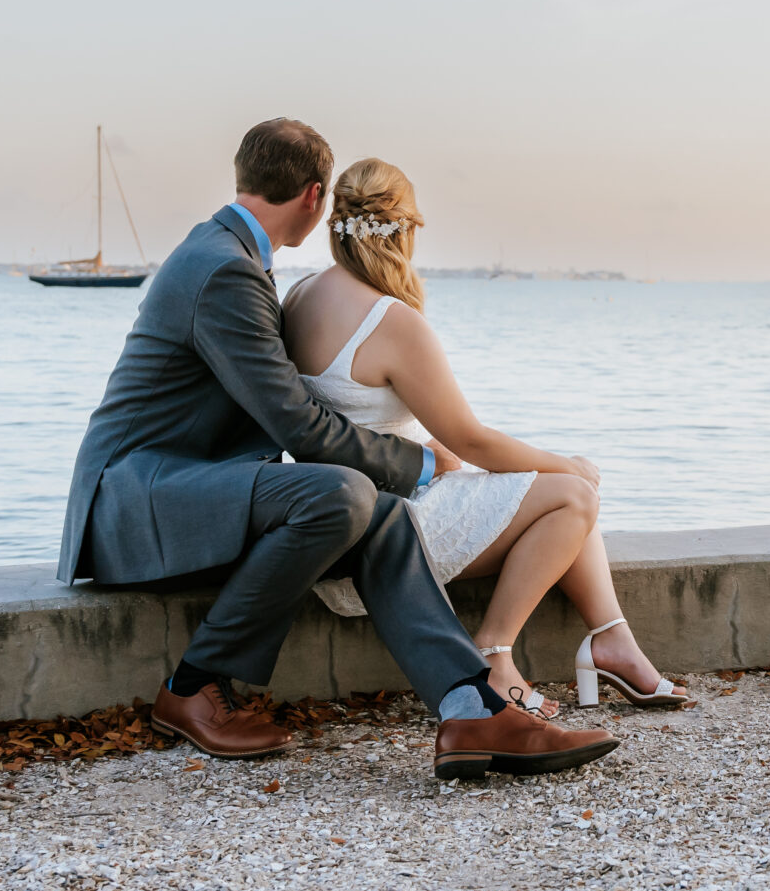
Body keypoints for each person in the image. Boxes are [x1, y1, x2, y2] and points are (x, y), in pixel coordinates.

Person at [57, 118, 619, 780]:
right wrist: (426, 464)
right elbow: (299, 429)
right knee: (346, 491)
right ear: (314, 196)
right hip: (136, 498)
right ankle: (190, 686)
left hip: (181, 483)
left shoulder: (225, 254)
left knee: (375, 508)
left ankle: (471, 708)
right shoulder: (223, 271)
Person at [282, 157, 689, 716]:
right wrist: (565, 463)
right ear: (406, 228)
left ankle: (611, 640)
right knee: (572, 495)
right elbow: (470, 440)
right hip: (392, 533)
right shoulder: (390, 320)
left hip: (342, 520)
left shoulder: (299, 297)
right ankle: (493, 655)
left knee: (555, 494)